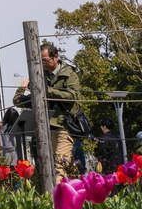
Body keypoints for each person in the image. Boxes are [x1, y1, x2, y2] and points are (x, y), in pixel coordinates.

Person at [13, 43, 88, 178]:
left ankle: (55, 199)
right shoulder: (40, 76)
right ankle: (82, 189)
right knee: (61, 165)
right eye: (40, 61)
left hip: (65, 126)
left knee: (59, 165)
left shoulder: (69, 74)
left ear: (55, 58)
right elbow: (18, 101)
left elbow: (74, 96)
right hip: (45, 128)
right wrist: (22, 88)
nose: (43, 64)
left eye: (45, 60)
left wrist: (48, 91)